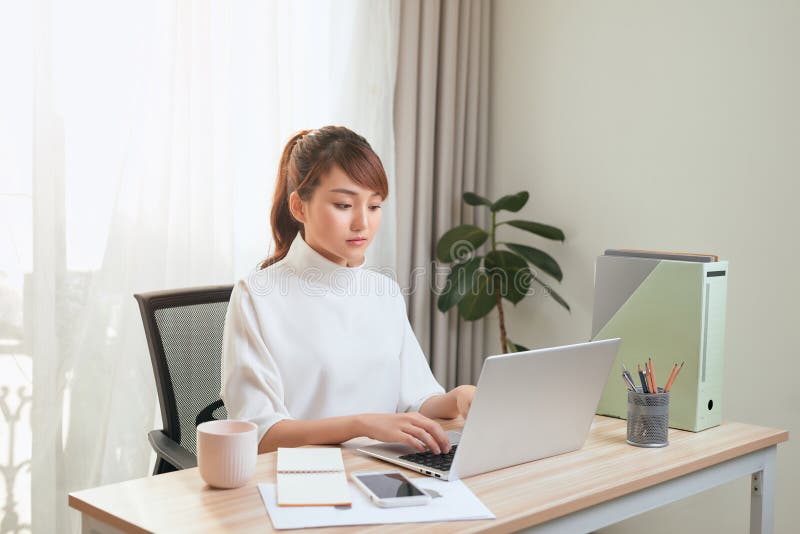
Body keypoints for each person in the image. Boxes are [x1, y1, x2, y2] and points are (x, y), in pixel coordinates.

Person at [221, 126, 476, 455]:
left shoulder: (383, 292)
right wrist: (363, 425)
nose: (362, 224)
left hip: (383, 469)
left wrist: (457, 398)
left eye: (374, 206)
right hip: (298, 478)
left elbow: (416, 400)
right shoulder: (257, 296)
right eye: (344, 205)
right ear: (299, 208)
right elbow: (261, 433)